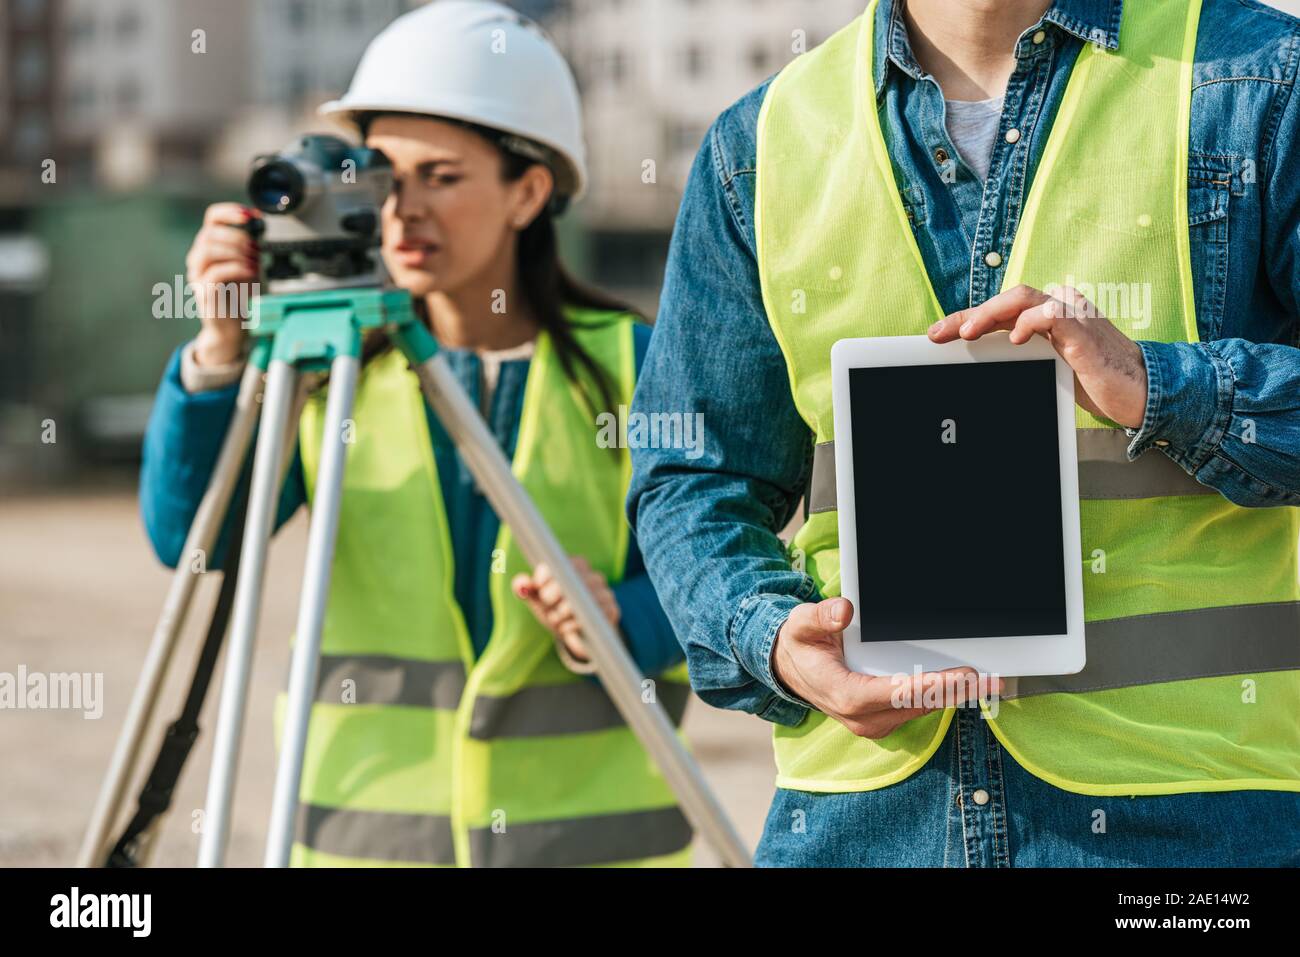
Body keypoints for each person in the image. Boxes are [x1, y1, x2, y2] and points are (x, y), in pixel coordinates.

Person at [629, 0, 1300, 867]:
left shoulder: (1261, 82)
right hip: (866, 821)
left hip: (1190, 825)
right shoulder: (758, 146)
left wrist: (1156, 387)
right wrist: (774, 638)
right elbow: (693, 478)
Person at [141, 0, 692, 868]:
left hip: (584, 845)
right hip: (367, 846)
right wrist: (220, 353)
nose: (400, 210)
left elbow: (718, 569)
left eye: (441, 175)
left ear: (529, 191)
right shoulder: (323, 368)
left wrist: (627, 619)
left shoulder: (633, 363)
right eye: (380, 176)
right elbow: (192, 543)